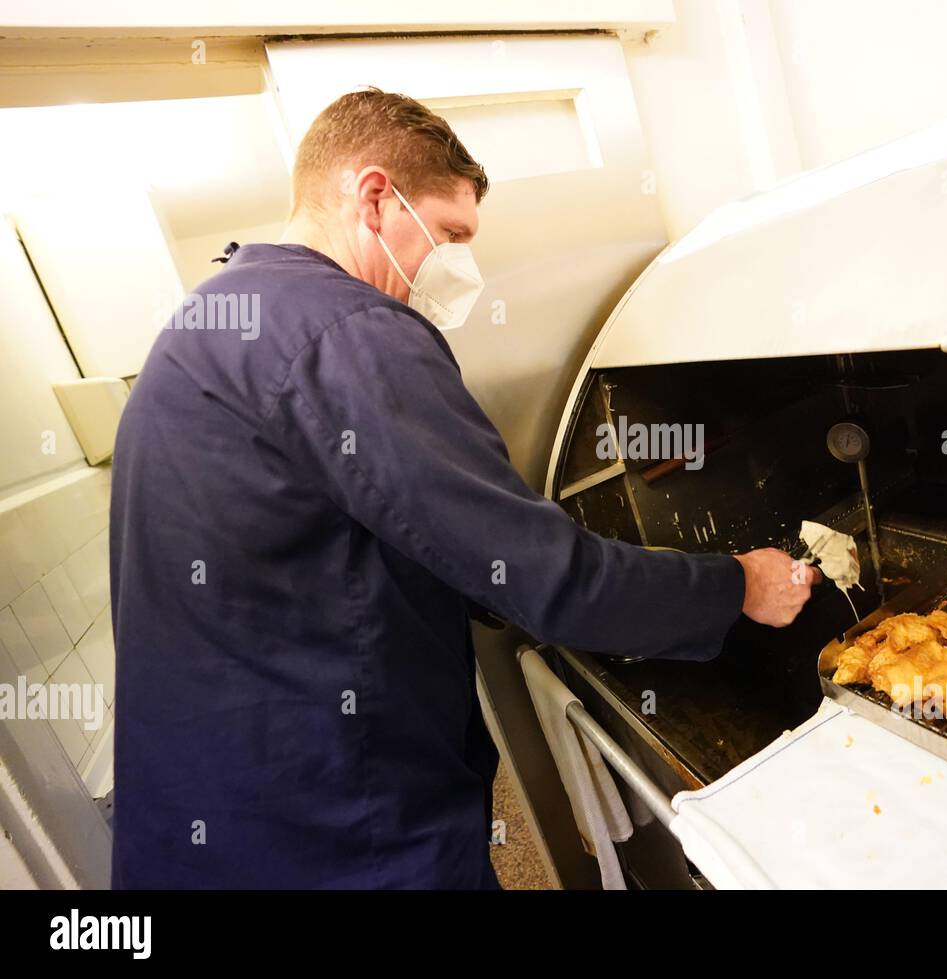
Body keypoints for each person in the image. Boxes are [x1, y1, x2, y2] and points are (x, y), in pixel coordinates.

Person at [109, 88, 817, 888]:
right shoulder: (349, 331)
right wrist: (736, 585)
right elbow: (546, 579)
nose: (456, 268)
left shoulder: (209, 320)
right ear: (375, 197)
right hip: (339, 838)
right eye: (449, 234)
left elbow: (343, 539)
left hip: (214, 829)